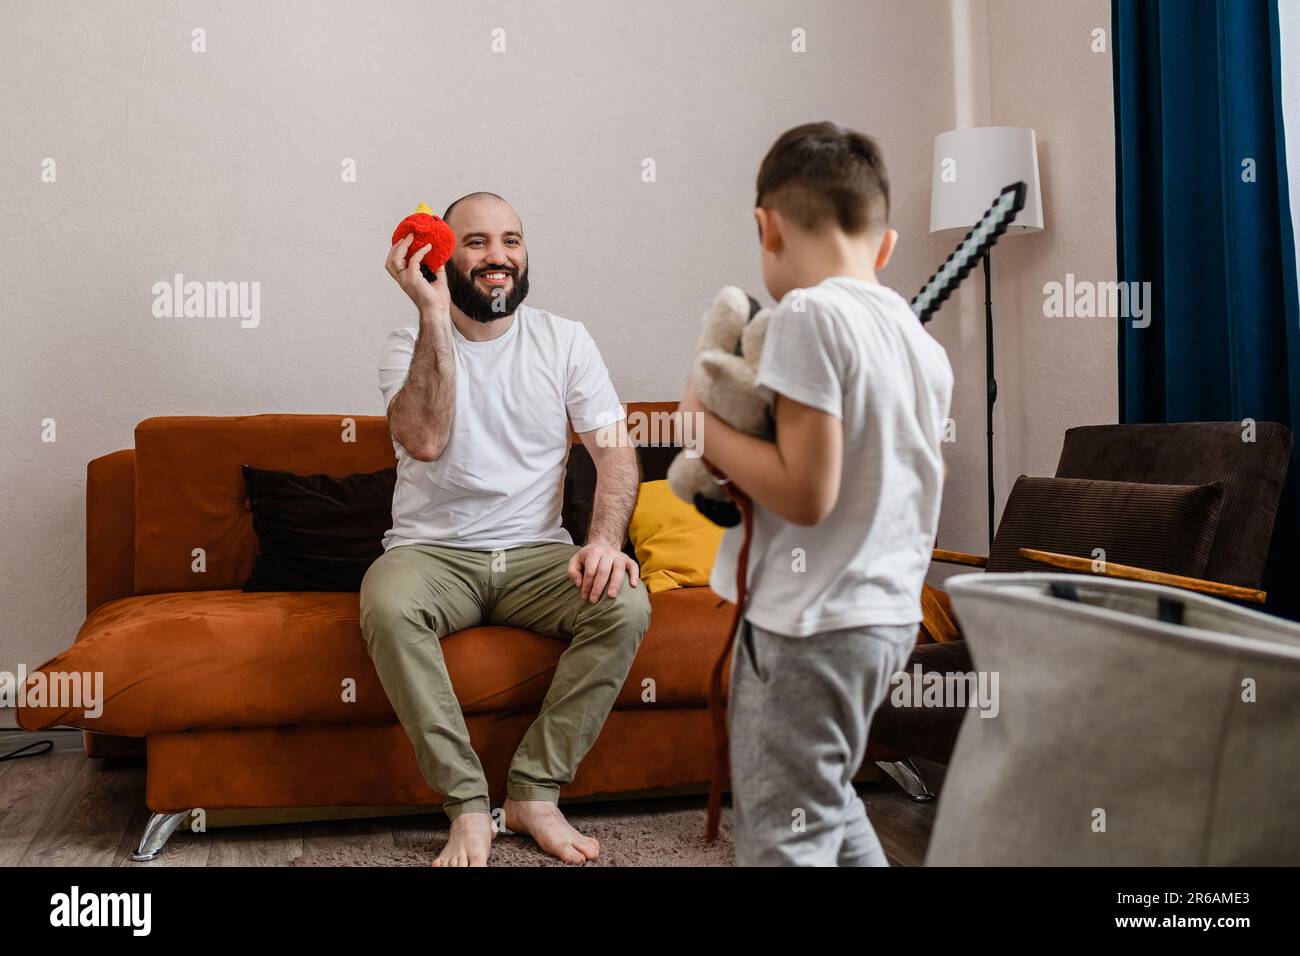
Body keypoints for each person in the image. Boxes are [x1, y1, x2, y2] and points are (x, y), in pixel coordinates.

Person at [678, 122, 954, 866]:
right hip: (886, 617)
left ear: (766, 229)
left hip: (811, 625)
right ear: (886, 244)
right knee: (826, 802)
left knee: (783, 835)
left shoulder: (804, 315)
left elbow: (806, 492)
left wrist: (701, 426)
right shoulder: (921, 346)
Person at [361, 192, 650, 867]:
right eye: (478, 242)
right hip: (433, 556)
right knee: (387, 601)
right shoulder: (409, 344)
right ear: (443, 256)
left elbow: (614, 453)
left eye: (512, 241)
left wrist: (603, 542)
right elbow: (426, 441)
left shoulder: (565, 339)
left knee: (626, 603)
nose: (499, 257)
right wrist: (433, 311)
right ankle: (466, 806)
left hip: (536, 556)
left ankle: (533, 794)